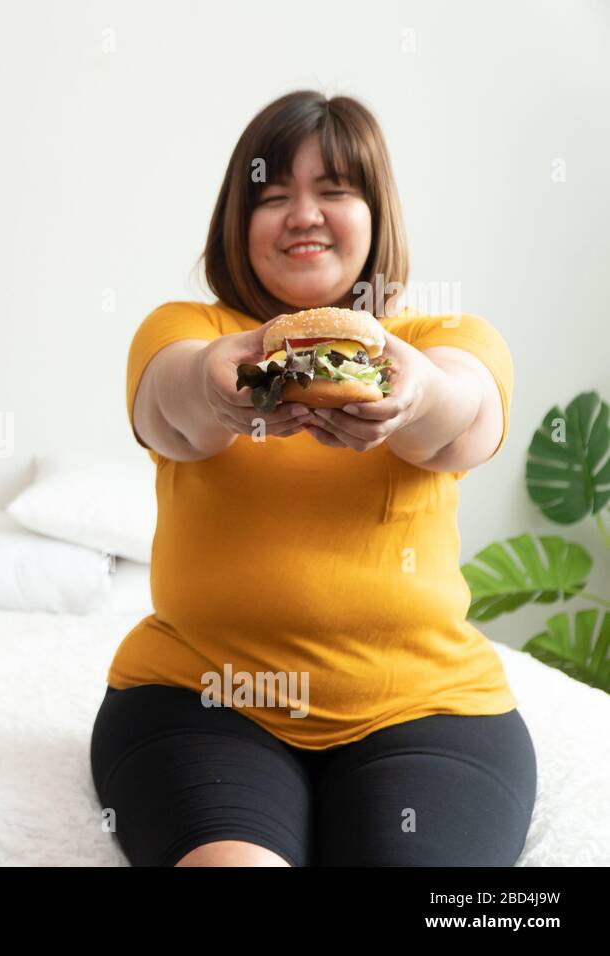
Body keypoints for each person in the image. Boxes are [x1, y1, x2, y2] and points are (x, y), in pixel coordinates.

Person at [90, 89, 537, 867]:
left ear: (376, 214)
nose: (304, 214)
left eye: (335, 191)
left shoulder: (443, 339)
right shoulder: (187, 333)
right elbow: (172, 407)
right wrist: (218, 392)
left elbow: (466, 421)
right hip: (203, 704)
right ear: (238, 221)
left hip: (427, 711)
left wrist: (417, 397)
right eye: (273, 196)